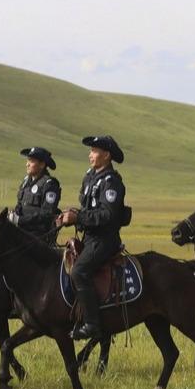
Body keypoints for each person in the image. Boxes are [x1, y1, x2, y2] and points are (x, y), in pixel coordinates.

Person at [57, 135, 129, 341]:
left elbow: (107, 215)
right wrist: (70, 216)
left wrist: (79, 216)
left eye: (94, 151)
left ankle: (92, 325)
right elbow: (88, 210)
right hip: (90, 238)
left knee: (79, 272)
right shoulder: (90, 177)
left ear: (106, 155)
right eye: (90, 151)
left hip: (105, 240)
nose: (90, 155)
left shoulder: (111, 182)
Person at [8, 147, 61, 244]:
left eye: (31, 161)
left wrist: (20, 220)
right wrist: (13, 215)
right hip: (22, 231)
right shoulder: (26, 182)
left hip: (38, 236)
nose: (27, 164)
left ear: (42, 164)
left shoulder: (49, 184)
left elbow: (47, 214)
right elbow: (20, 205)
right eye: (27, 160)